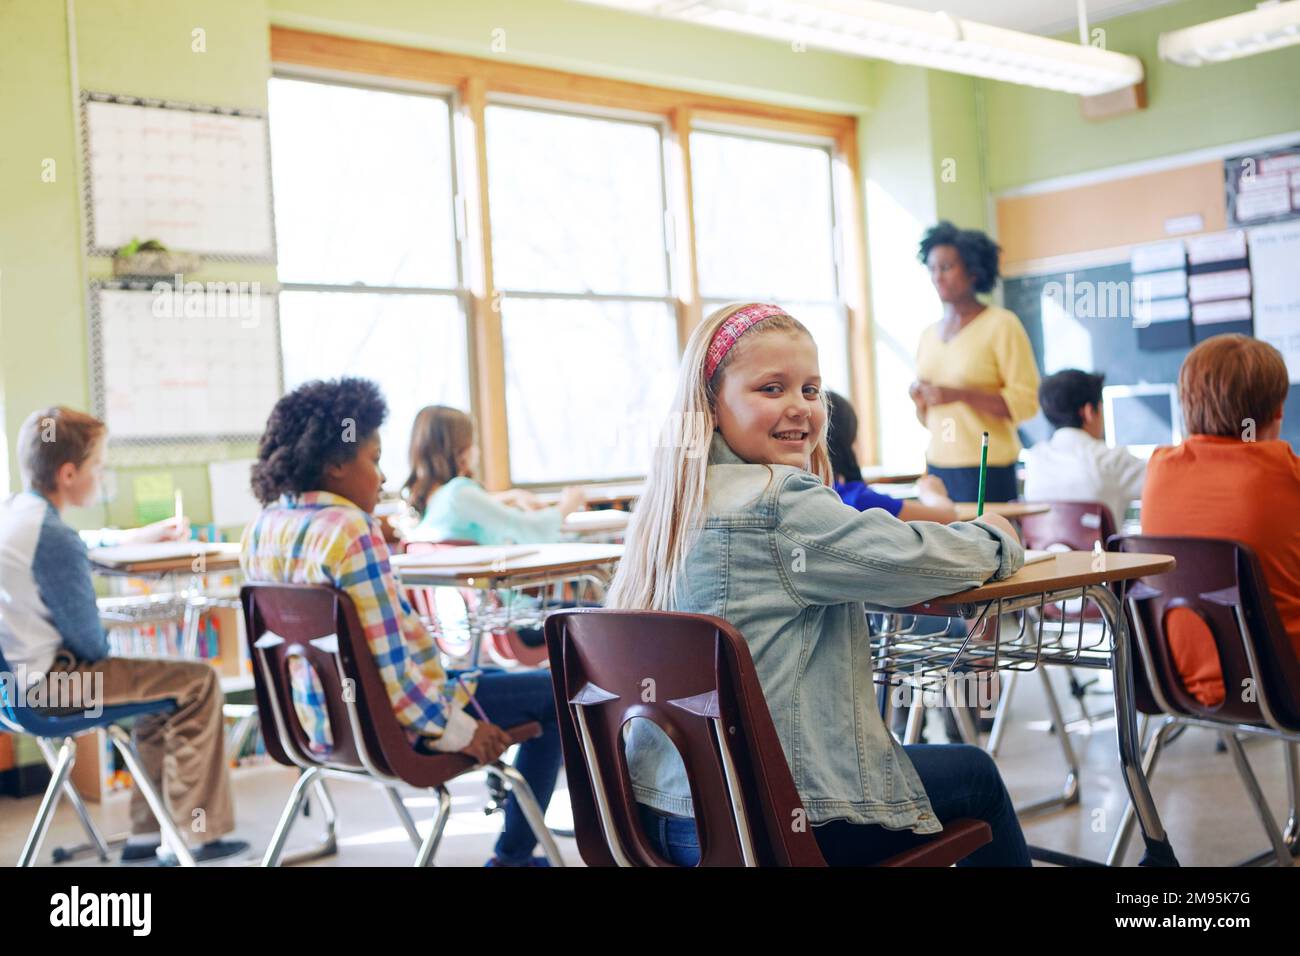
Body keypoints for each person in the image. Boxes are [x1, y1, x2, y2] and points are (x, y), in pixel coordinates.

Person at [608, 302, 1031, 866]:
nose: (799, 408)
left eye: (811, 389)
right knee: (976, 774)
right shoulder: (778, 501)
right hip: (780, 825)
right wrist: (994, 536)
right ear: (711, 405)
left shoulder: (668, 508)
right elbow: (913, 562)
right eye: (771, 388)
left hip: (657, 819)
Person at [240, 378, 562, 866]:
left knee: (500, 681)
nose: (383, 477)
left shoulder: (262, 530)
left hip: (314, 729)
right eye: (373, 459)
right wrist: (458, 731)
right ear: (335, 465)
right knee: (553, 695)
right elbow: (388, 669)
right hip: (392, 728)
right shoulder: (351, 532)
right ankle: (513, 858)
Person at [0, 407, 247, 865]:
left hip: (11, 693)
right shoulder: (53, 539)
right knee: (197, 682)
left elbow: (83, 541)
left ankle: (146, 836)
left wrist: (139, 536)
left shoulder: (17, 514)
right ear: (69, 473)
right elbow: (92, 647)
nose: (103, 475)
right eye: (98, 466)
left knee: (159, 690)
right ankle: (196, 837)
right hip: (56, 691)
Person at [1141, 335, 1300, 708]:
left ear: (1186, 403)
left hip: (1176, 682)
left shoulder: (1159, 469)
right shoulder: (1287, 473)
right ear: (1278, 410)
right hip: (1284, 685)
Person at [910, 221, 1040, 503]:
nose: (937, 277)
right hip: (937, 465)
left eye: (946, 267)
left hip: (987, 468)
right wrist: (920, 401)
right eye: (932, 269)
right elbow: (928, 418)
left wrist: (958, 395)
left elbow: (1026, 402)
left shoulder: (1002, 325)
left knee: (985, 546)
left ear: (973, 271)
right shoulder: (927, 335)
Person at [404, 405, 585, 543]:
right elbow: (530, 528)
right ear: (458, 450)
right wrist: (568, 505)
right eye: (472, 442)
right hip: (492, 593)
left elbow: (460, 510)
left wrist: (511, 496)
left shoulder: (428, 501)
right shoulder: (459, 494)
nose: (477, 450)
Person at [1022, 369, 1146, 529]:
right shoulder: (1111, 460)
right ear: (1089, 412)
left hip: (1047, 554)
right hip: (1101, 554)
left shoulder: (1034, 460)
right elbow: (1164, 481)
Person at [826, 390, 957, 522]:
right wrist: (930, 493)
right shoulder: (860, 500)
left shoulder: (816, 496)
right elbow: (947, 516)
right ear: (849, 441)